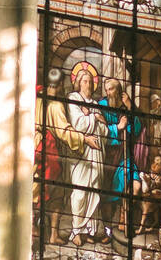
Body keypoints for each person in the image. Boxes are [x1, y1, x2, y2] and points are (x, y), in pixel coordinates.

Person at [34, 68, 88, 244]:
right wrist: (84, 139)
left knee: (36, 190)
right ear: (59, 85)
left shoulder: (37, 95)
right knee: (56, 193)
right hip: (50, 151)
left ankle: (34, 228)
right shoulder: (56, 106)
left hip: (34, 146)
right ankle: (53, 234)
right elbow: (64, 131)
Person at [66, 64, 108, 247]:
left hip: (97, 153)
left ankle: (90, 231)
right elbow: (78, 124)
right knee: (81, 192)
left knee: (94, 193)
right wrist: (93, 118)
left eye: (91, 82)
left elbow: (104, 130)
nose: (89, 85)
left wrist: (93, 116)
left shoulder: (95, 104)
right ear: (78, 83)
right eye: (85, 81)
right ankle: (76, 231)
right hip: (81, 153)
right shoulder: (73, 98)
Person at [98, 78, 143, 232]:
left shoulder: (126, 105)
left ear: (118, 91)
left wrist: (130, 107)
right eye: (106, 89)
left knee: (135, 185)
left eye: (111, 89)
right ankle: (107, 229)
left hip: (124, 155)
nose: (107, 92)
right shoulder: (101, 106)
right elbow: (100, 130)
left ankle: (125, 216)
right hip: (107, 156)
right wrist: (118, 127)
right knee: (107, 194)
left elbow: (136, 130)